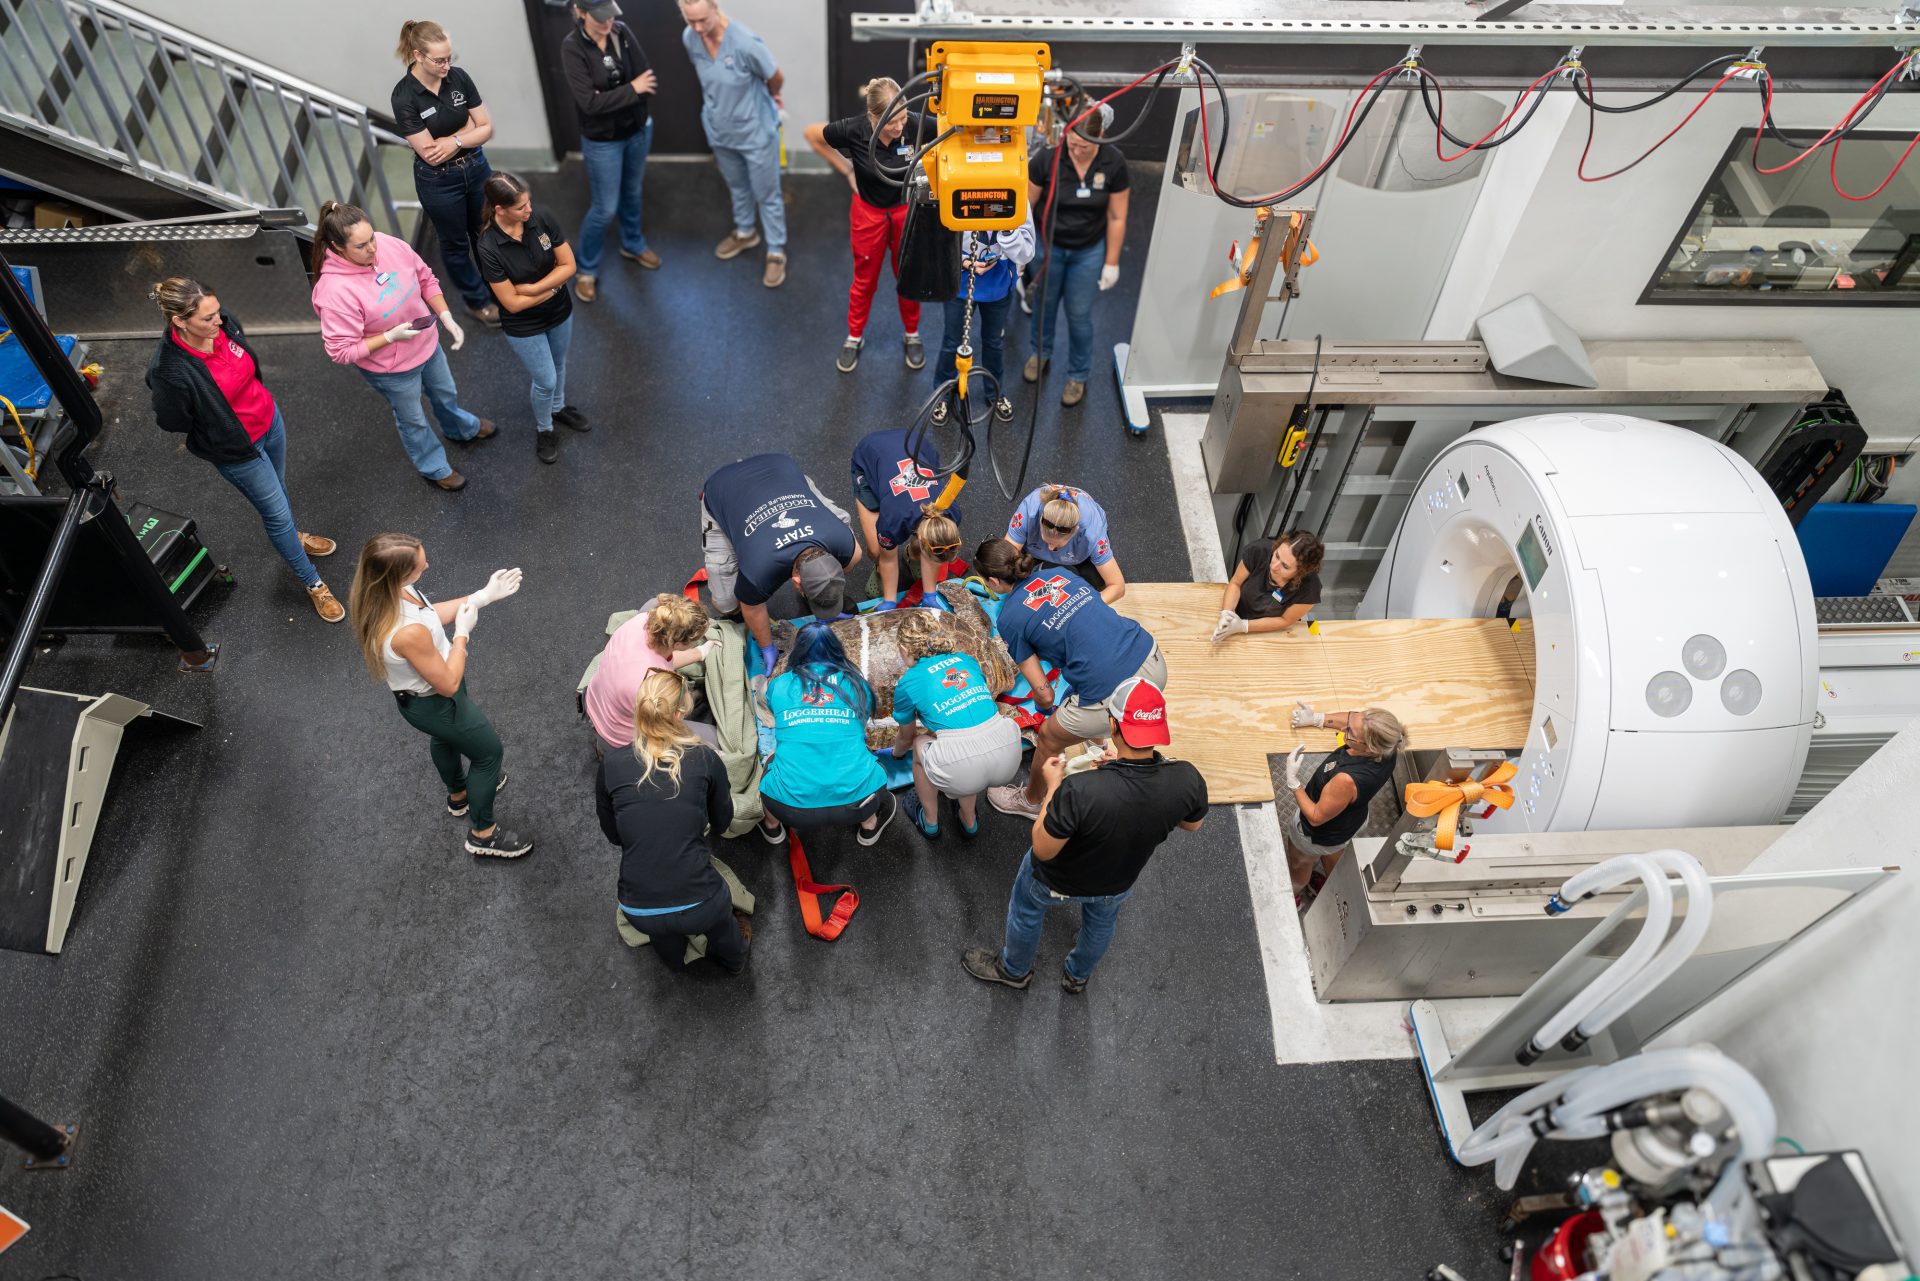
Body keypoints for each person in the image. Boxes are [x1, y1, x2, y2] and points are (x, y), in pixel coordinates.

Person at [963, 677, 1206, 994]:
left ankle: (1014, 970)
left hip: (1053, 880)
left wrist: (1052, 787)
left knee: (1025, 911)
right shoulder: (1187, 780)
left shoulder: (1080, 790)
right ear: (1158, 729)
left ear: (1113, 726)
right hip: (1117, 881)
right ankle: (1076, 976)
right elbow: (1190, 824)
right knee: (1101, 924)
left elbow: (1043, 848)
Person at [145, 277, 344, 626]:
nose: (218, 322)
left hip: (270, 422)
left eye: (217, 313)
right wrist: (215, 426)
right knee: (277, 515)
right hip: (238, 450)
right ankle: (313, 582)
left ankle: (294, 540)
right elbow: (172, 420)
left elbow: (243, 359)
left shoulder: (223, 324)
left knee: (279, 489)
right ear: (179, 321)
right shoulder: (170, 370)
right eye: (207, 319)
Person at [349, 532, 533, 859]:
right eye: (419, 567)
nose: (427, 565)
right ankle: (483, 834)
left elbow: (431, 616)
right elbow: (448, 682)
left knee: (445, 740)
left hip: (424, 699)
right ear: (396, 575)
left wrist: (480, 597)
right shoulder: (407, 632)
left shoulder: (386, 593)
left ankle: (459, 795)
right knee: (489, 754)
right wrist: (462, 634)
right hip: (437, 700)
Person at [972, 539, 1166, 820]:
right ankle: (1098, 746)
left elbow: (1045, 693)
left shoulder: (1010, 618)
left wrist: (1044, 711)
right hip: (1152, 658)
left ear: (992, 580)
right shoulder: (1060, 574)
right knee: (1081, 680)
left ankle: (1031, 801)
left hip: (1109, 690)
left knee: (1050, 736)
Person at [310, 201, 493, 494]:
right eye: (361, 246)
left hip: (427, 344)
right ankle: (434, 467)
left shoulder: (385, 244)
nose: (372, 249)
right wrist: (389, 337)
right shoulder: (334, 292)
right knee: (413, 420)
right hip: (392, 369)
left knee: (445, 392)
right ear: (338, 246)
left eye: (371, 238)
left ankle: (460, 427)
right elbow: (340, 351)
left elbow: (424, 277)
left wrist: (445, 315)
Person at [597, 669, 750, 975]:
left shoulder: (611, 764)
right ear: (680, 715)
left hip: (637, 907)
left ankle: (674, 960)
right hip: (702, 901)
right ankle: (735, 961)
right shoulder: (704, 759)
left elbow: (614, 834)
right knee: (721, 925)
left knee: (663, 937)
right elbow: (722, 820)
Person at [803, 78, 936, 374]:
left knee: (908, 276)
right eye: (893, 123)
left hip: (904, 211)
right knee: (865, 280)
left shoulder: (913, 123)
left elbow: (955, 131)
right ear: (874, 117)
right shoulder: (854, 129)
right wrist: (846, 169)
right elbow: (811, 134)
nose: (900, 128)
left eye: (903, 118)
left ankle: (912, 333)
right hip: (869, 214)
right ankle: (854, 336)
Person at [699, 453, 864, 677]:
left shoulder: (845, 545)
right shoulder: (758, 572)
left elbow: (849, 559)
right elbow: (752, 606)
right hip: (725, 487)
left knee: (839, 520)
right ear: (796, 581)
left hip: (781, 471)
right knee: (728, 604)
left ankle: (817, 590)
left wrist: (825, 589)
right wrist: (767, 646)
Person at [391, 19, 499, 326]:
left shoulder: (458, 77)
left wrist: (453, 140)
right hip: (439, 182)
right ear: (418, 55)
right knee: (455, 245)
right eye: (439, 60)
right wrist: (467, 130)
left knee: (486, 234)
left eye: (450, 57)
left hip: (476, 168)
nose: (446, 65)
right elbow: (431, 155)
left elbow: (487, 128)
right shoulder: (404, 97)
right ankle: (477, 302)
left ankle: (499, 290)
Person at [1025, 103, 1131, 408]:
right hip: (1048, 248)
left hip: (1088, 251)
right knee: (1043, 307)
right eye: (1073, 143)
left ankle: (1078, 374)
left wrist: (1111, 262)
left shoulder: (1114, 163)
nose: (1078, 150)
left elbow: (1116, 216)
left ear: (1099, 138)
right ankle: (1040, 353)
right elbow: (1027, 209)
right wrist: (1021, 248)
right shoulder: (1047, 159)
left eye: (1085, 146)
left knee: (1079, 315)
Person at [757, 623, 898, 846]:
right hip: (857, 804)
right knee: (872, 761)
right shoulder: (857, 684)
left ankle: (772, 826)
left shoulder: (779, 685)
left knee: (771, 760)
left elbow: (777, 714)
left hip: (789, 809)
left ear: (798, 650)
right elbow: (860, 726)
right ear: (836, 648)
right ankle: (869, 827)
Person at [678, 0, 787, 288]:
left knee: (767, 193)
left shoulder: (744, 42)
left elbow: (776, 77)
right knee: (737, 185)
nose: (698, 28)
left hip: (755, 130)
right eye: (691, 21)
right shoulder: (690, 38)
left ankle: (776, 250)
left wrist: (772, 98)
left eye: (703, 20)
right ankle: (745, 232)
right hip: (719, 130)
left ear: (716, 8)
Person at [476, 173, 583, 465]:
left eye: (529, 202)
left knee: (559, 363)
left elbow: (569, 264)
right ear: (500, 209)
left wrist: (536, 288)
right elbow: (511, 303)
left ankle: (558, 409)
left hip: (559, 310)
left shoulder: (541, 217)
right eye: (521, 206)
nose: (529, 210)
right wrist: (552, 288)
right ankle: (544, 428)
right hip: (524, 325)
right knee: (546, 379)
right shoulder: (488, 247)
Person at [888, 611, 1022, 839]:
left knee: (921, 742)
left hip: (962, 767)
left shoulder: (908, 683)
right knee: (963, 740)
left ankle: (929, 820)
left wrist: (897, 754)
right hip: (1009, 754)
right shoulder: (966, 660)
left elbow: (906, 737)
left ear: (905, 649)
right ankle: (968, 819)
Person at [562, 0, 661, 304]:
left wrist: (614, 95)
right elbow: (589, 104)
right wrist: (632, 90)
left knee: (632, 191)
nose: (608, 23)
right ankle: (586, 269)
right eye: (600, 18)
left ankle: (632, 243)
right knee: (605, 207)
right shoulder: (573, 48)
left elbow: (648, 78)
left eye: (611, 16)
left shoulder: (622, 32)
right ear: (581, 12)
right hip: (603, 140)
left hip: (637, 130)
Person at [1283, 703, 1407, 907]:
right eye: (1351, 722)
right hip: (1350, 820)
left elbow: (1315, 817)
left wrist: (1294, 783)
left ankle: (1294, 894)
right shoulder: (1390, 746)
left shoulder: (1347, 780)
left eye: (1350, 732)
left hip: (1319, 832)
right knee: (1332, 850)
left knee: (1300, 864)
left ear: (1369, 747)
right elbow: (1355, 720)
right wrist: (1318, 719)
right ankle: (1328, 878)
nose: (1342, 730)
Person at [932, 208, 1035, 425]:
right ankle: (941, 395)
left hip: (998, 284)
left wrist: (1007, 231)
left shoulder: (1016, 196)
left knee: (993, 342)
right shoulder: (957, 186)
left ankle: (993, 393)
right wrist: (964, 262)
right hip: (959, 282)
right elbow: (938, 239)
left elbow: (1026, 253)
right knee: (952, 342)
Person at [584, 593, 717, 757]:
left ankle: (603, 749)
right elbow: (665, 726)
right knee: (714, 740)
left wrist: (700, 653)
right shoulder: (652, 681)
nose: (696, 643)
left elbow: (661, 660)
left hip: (596, 703)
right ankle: (612, 755)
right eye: (693, 641)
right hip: (620, 739)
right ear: (676, 644)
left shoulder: (642, 620)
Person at [850, 427, 961, 610]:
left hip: (917, 445)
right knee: (878, 551)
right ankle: (884, 571)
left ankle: (914, 554)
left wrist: (930, 594)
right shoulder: (892, 522)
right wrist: (890, 601)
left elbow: (935, 546)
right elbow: (889, 559)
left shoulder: (951, 513)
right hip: (871, 454)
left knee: (929, 550)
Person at [1004, 483, 1126, 603]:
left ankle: (1042, 567)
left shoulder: (1092, 532)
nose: (1051, 548)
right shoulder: (1029, 511)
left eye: (1057, 545)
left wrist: (1081, 609)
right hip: (1034, 551)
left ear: (1076, 532)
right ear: (1040, 520)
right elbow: (1005, 557)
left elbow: (1118, 586)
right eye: (1046, 541)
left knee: (1095, 581)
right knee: (1010, 571)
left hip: (1079, 554)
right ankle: (1042, 564)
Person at [1210, 529, 1325, 641]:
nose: (1274, 566)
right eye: (1277, 556)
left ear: (1301, 572)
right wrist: (1227, 613)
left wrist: (1244, 626)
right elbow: (1235, 583)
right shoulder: (1259, 550)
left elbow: (1286, 620)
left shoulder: (1310, 588)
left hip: (1268, 631)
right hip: (1236, 610)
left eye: (1285, 566)